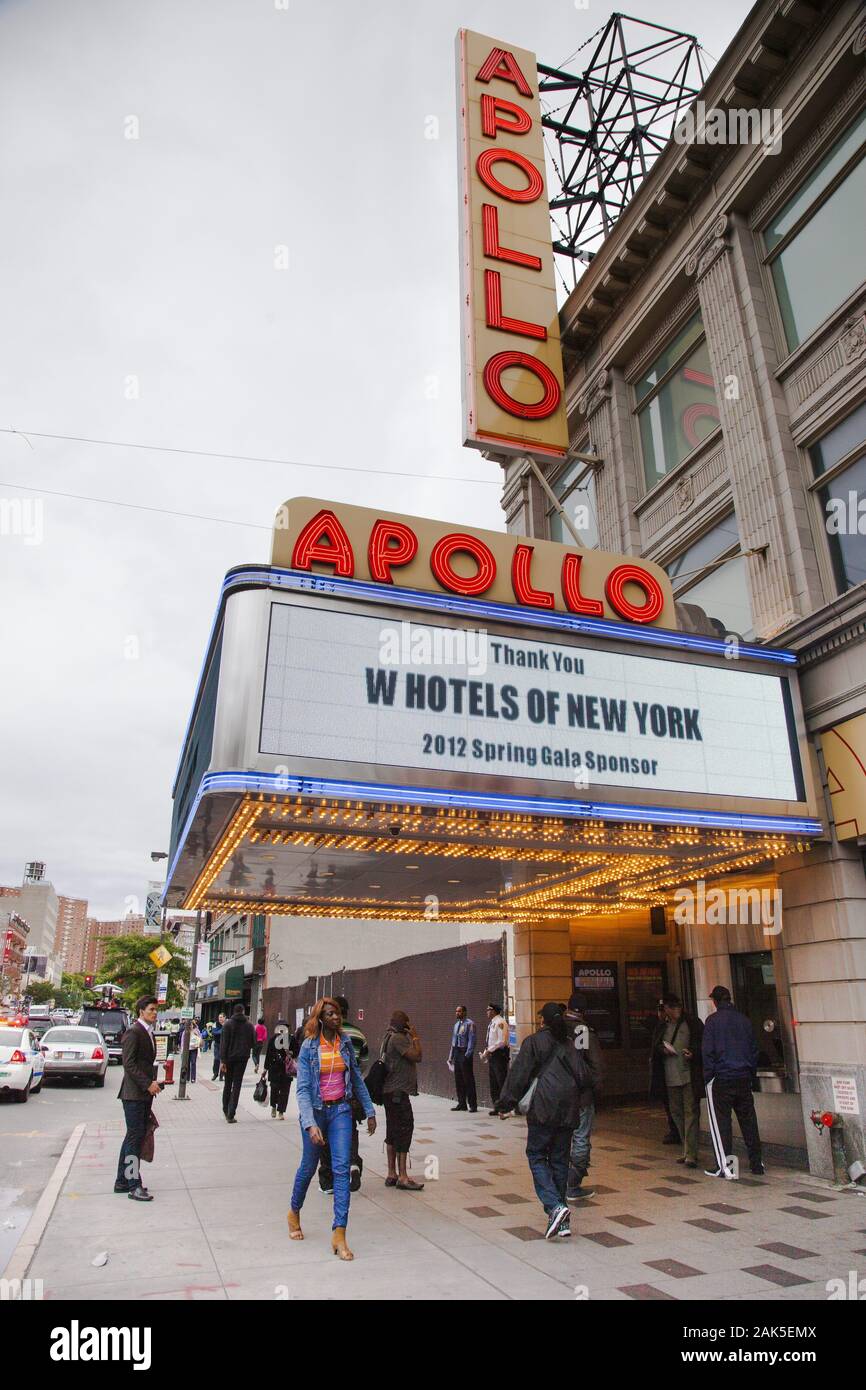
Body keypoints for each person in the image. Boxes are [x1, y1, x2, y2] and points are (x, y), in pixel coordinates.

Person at [287, 998, 376, 1260]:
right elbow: (303, 1089)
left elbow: (356, 1078)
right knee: (308, 1166)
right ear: (320, 1018)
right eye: (329, 1014)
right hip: (315, 1112)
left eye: (337, 1013)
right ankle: (294, 1211)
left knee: (341, 1169)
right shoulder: (309, 1046)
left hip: (341, 1111)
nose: (335, 1017)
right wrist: (309, 1123)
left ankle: (339, 1233)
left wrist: (369, 1110)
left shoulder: (345, 1043)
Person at [494, 1002, 590, 1239]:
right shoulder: (571, 1044)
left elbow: (519, 1076)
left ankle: (554, 1206)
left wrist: (505, 1104)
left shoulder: (534, 1042)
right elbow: (584, 1076)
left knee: (536, 1155)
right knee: (559, 1160)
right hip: (568, 1110)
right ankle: (562, 1221)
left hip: (543, 1108)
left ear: (543, 1021)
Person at [703, 985, 764, 1177]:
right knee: (749, 1121)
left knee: (722, 1123)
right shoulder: (744, 1020)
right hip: (743, 1077)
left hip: (722, 1078)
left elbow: (708, 1052)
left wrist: (708, 1077)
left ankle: (726, 1167)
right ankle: (757, 1164)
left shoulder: (712, 1021)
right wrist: (750, 1073)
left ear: (715, 1001)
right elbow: (754, 1049)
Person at [318, 996, 368, 1195]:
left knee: (325, 1133)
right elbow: (363, 1063)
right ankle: (353, 1163)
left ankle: (327, 1178)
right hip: (352, 1092)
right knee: (350, 1129)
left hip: (329, 1093)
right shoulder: (358, 1034)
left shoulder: (326, 1035)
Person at [115, 994, 161, 1202]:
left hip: (143, 1094)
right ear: (141, 1011)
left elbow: (144, 1063)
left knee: (132, 1137)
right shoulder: (134, 1032)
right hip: (133, 1095)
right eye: (151, 1009)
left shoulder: (148, 1032)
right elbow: (129, 1064)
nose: (154, 1013)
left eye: (156, 1010)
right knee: (135, 1139)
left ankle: (122, 1180)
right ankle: (134, 1184)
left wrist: (153, 1083)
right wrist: (147, 1083)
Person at [563, 992, 603, 1201]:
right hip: (579, 1094)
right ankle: (573, 1183)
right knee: (580, 1136)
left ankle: (559, 1179)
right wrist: (595, 1089)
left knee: (561, 1136)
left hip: (556, 1094)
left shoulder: (555, 1027)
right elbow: (594, 1065)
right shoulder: (581, 1030)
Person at [657, 994, 704, 1169]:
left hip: (688, 1075)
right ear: (666, 1009)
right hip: (670, 1076)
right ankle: (686, 1148)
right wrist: (662, 1050)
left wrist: (693, 1052)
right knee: (676, 1112)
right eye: (672, 1007)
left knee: (691, 1112)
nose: (676, 1010)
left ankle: (691, 1153)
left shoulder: (692, 1023)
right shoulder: (662, 1026)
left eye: (678, 1006)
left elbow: (702, 1043)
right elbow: (655, 1046)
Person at [381, 1010, 424, 1191]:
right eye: (407, 1023)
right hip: (398, 1093)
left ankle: (392, 1174)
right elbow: (417, 1056)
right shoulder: (398, 1038)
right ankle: (403, 1176)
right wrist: (415, 1037)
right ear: (404, 1024)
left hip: (390, 1092)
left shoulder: (387, 1036)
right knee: (405, 1129)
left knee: (392, 1131)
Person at [648, 999, 681, 1145]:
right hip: (665, 1072)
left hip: (676, 1071)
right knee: (670, 1105)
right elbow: (656, 1047)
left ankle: (678, 1132)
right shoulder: (660, 1026)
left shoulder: (681, 1024)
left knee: (676, 1105)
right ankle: (676, 1131)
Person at [219, 1003, 255, 1123]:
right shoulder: (249, 1025)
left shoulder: (227, 1024)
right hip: (242, 1058)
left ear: (234, 1012)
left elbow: (223, 1044)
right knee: (237, 1084)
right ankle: (231, 1112)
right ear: (243, 1011)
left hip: (229, 1058)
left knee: (228, 1083)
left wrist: (222, 1060)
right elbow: (253, 1043)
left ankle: (225, 1108)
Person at [480, 1003, 510, 1115]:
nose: (487, 1012)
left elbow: (502, 1042)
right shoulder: (492, 1023)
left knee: (501, 1081)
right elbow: (491, 1041)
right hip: (492, 1056)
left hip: (499, 1055)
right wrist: (486, 1052)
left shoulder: (500, 1022)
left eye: (488, 1009)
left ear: (493, 1011)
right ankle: (497, 1107)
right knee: (493, 1083)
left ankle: (504, 1107)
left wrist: (490, 1050)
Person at [265, 1017, 296, 1119]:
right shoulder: (273, 1039)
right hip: (274, 1068)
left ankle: (281, 1111)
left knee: (285, 1091)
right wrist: (265, 1069)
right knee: (274, 1089)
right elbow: (268, 1055)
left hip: (287, 1069)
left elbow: (297, 1051)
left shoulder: (291, 1039)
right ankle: (274, 1106)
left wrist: (291, 1053)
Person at [449, 1004, 477, 1112]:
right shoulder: (456, 1025)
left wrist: (467, 1055)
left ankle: (473, 1105)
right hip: (457, 1052)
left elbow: (471, 1041)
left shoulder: (470, 1024)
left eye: (459, 1011)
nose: (457, 1013)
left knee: (468, 1079)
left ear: (464, 1012)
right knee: (458, 1079)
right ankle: (462, 1103)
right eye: (456, 1011)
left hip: (464, 1052)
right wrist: (451, 1056)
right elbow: (453, 1041)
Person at [211, 1011, 226, 1080]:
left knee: (224, 1060)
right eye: (219, 1017)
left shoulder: (227, 1024)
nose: (220, 1019)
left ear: (225, 1018)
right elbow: (214, 1032)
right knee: (216, 1059)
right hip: (217, 1044)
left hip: (225, 1045)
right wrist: (223, 1029)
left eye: (221, 1017)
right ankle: (215, 1074)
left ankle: (222, 1075)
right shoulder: (215, 1024)